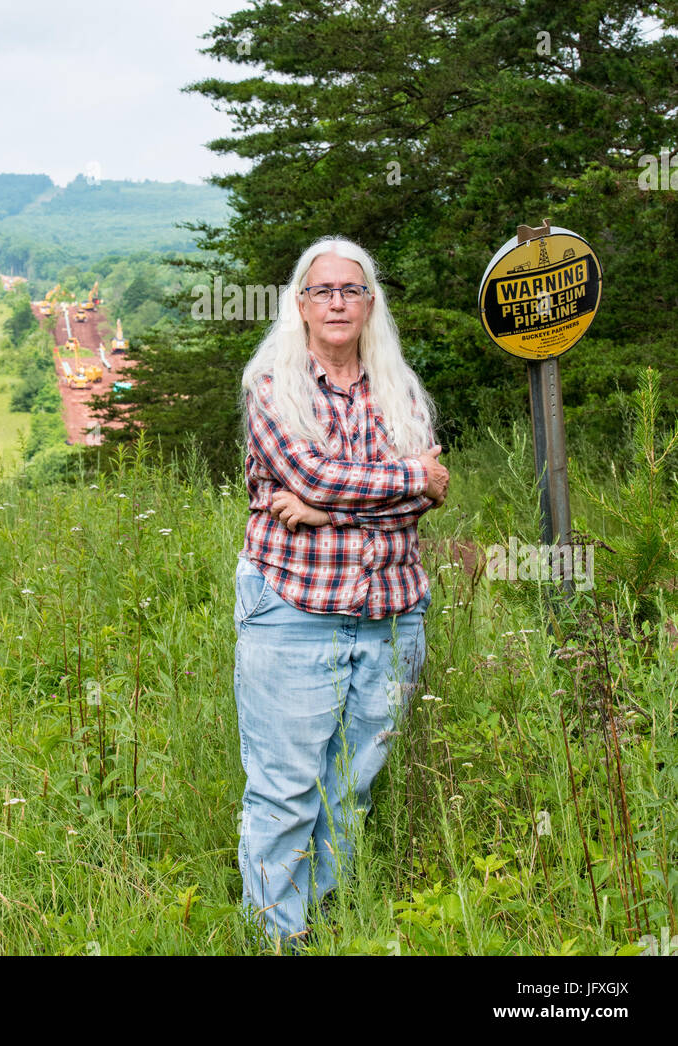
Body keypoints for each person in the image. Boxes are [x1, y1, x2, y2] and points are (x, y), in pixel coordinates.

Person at [234, 235, 449, 952]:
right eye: (321, 290)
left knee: (350, 788)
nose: (336, 302)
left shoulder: (398, 387)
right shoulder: (271, 386)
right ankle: (277, 942)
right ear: (298, 303)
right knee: (286, 790)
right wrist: (396, 481)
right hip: (293, 610)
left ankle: (323, 927)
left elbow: (428, 496)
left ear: (369, 303)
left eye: (350, 290)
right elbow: (327, 476)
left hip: (391, 613)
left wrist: (327, 508)